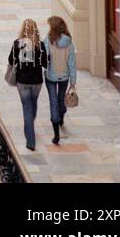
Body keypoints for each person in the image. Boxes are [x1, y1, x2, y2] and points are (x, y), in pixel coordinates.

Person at [7, 18, 48, 151]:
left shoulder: (18, 44)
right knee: (33, 104)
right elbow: (45, 64)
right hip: (36, 82)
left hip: (23, 81)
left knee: (27, 108)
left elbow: (11, 60)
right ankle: (30, 124)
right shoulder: (40, 46)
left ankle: (30, 141)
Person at [43, 15, 77, 145]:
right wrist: (73, 81)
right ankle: (61, 116)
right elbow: (72, 63)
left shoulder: (48, 41)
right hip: (64, 77)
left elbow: (43, 58)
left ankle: (56, 134)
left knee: (53, 102)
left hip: (50, 77)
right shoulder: (69, 43)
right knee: (61, 99)